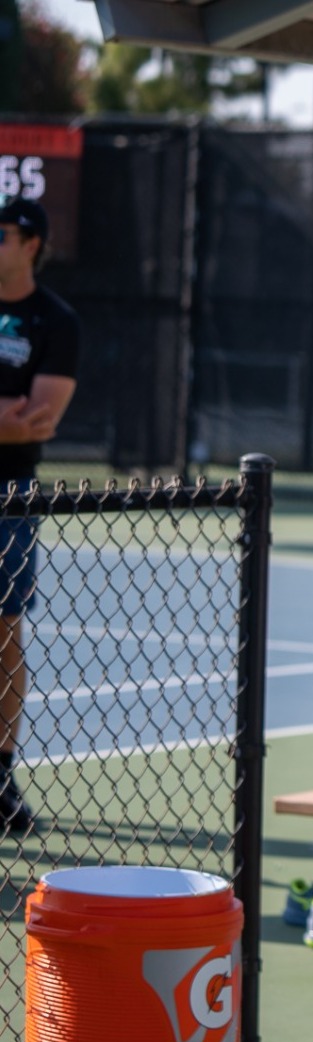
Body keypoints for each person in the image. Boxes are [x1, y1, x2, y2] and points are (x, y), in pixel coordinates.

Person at [0, 196, 79, 839]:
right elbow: (14, 411)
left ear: (31, 243)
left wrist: (14, 416)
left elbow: (39, 416)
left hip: (11, 490)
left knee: (2, 630)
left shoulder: (55, 320)